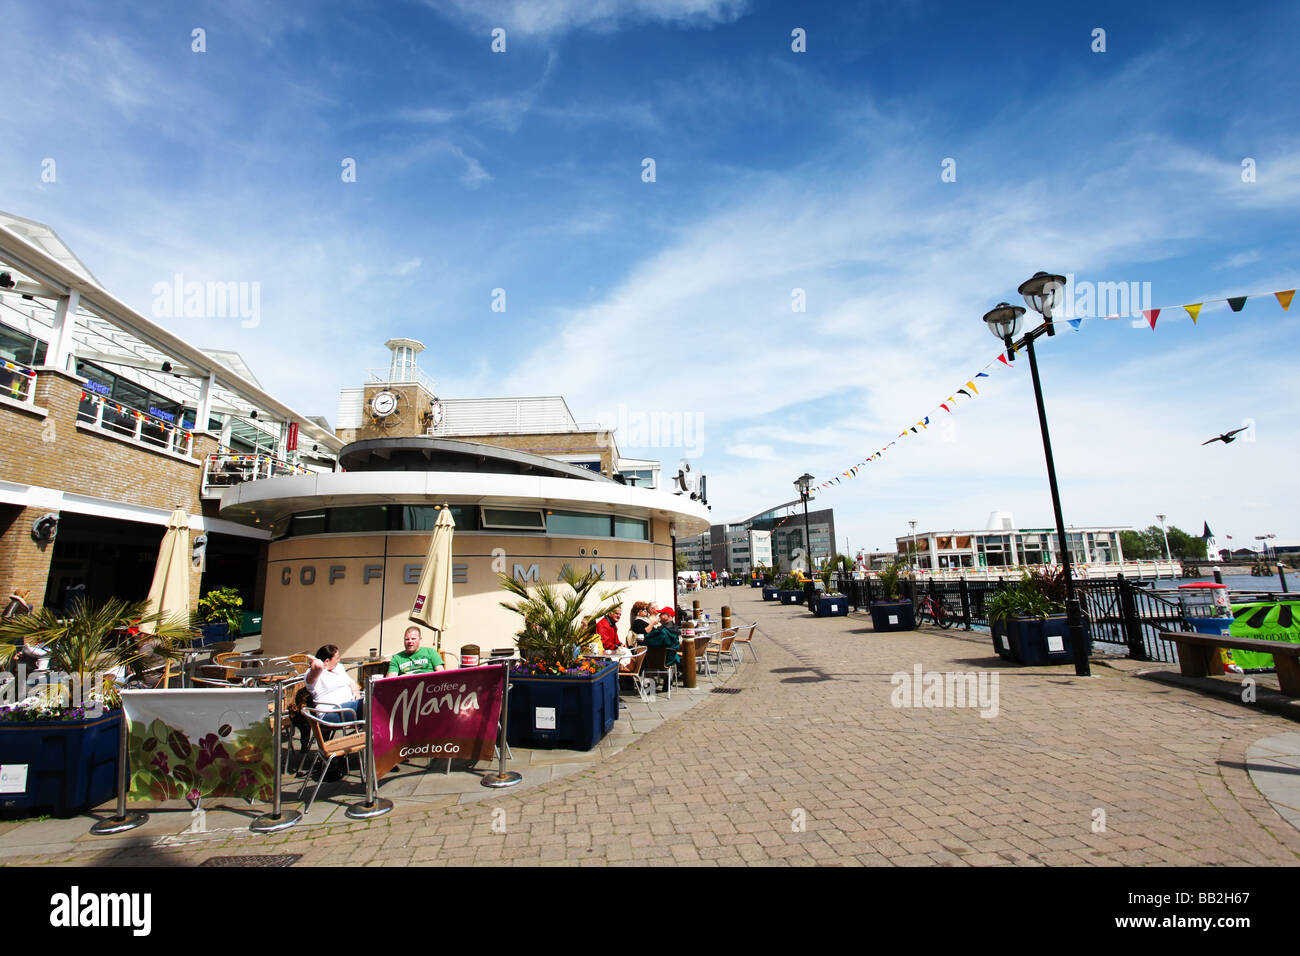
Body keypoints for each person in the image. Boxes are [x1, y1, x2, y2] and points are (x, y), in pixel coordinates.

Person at [305, 644, 363, 724]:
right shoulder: (313, 675)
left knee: (373, 701)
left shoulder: (338, 667)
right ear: (327, 661)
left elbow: (351, 682)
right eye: (337, 658)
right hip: (330, 712)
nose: (339, 660)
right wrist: (316, 660)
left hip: (348, 707)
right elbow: (318, 666)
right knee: (370, 704)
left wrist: (356, 692)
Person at [643, 606, 681, 673]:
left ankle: (650, 680)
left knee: (643, 655)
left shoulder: (662, 631)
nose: (659, 615)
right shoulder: (676, 629)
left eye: (662, 614)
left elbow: (646, 641)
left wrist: (652, 625)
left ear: (668, 616)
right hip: (672, 657)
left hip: (661, 660)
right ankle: (666, 676)